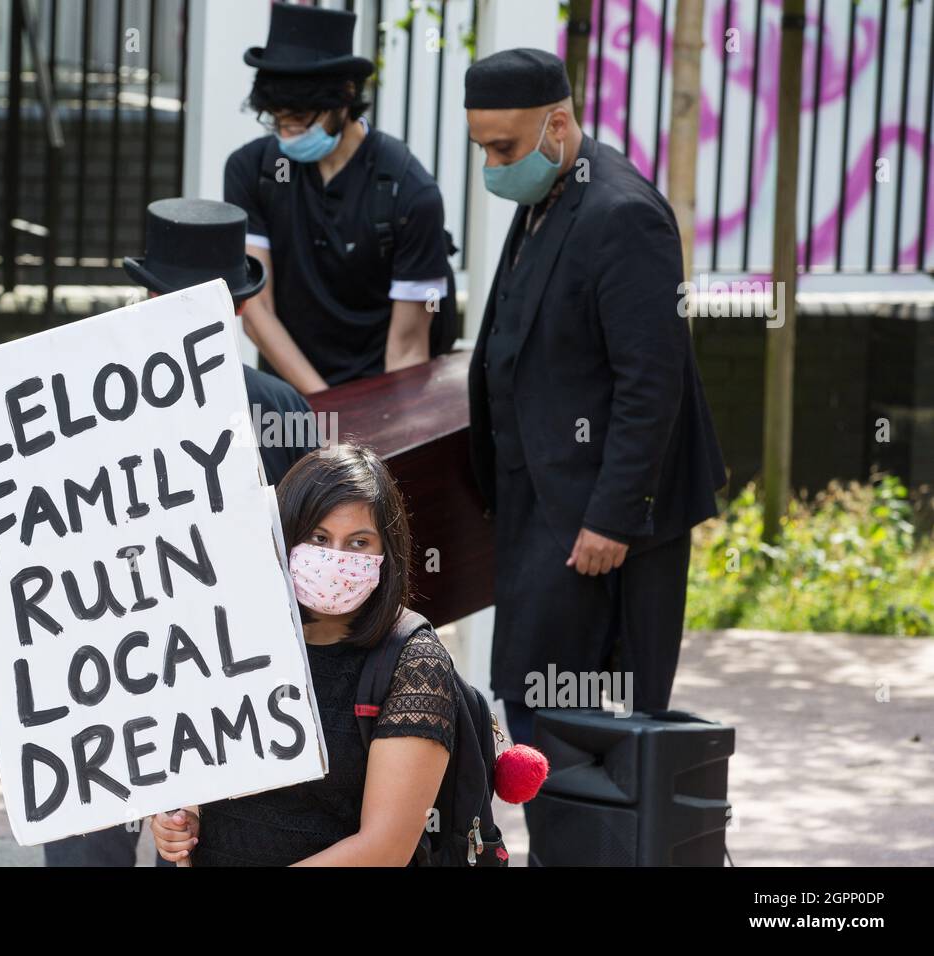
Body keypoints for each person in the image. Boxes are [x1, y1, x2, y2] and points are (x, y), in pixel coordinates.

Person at [41, 196, 323, 867]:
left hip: (216, 680)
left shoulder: (276, 410)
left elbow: (307, 551)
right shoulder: (74, 407)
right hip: (121, 676)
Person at [462, 50, 726, 749]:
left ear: (557, 125)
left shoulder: (623, 213)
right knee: (533, 698)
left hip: (604, 519)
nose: (492, 165)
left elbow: (652, 379)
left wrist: (613, 517)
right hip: (544, 500)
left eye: (504, 148)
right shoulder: (547, 192)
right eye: (482, 148)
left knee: (595, 725)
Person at [151, 443, 457, 866]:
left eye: (359, 542)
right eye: (318, 537)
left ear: (387, 554)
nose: (336, 558)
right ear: (283, 535)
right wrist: (177, 821)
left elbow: (385, 849)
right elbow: (201, 775)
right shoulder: (231, 635)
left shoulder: (413, 662)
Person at [225, 2, 458, 393]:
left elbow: (407, 349)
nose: (287, 133)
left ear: (345, 96)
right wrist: (320, 408)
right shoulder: (251, 170)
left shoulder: (410, 191)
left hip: (381, 398)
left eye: (301, 118)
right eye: (277, 119)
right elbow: (257, 311)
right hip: (294, 400)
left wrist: (372, 429)